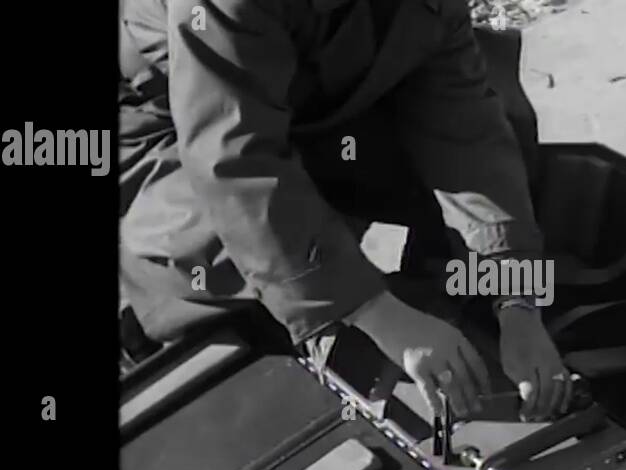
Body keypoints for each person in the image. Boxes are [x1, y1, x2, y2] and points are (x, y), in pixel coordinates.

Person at [119, 0, 573, 420]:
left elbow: (465, 128)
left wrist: (517, 300)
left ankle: (441, 293)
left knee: (503, 123)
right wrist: (374, 312)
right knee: (198, 250)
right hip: (174, 125)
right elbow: (234, 159)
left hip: (324, 103)